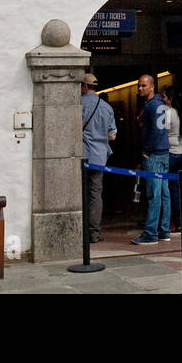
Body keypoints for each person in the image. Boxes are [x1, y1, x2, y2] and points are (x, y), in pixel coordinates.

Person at [131, 74, 171, 245]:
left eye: (144, 86)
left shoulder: (150, 106)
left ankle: (150, 233)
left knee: (154, 194)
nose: (140, 88)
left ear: (152, 87)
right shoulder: (160, 104)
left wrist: (146, 152)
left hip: (154, 154)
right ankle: (164, 230)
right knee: (164, 194)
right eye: (139, 85)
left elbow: (154, 131)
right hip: (164, 152)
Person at [80, 72, 117, 243]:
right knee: (95, 194)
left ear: (84, 86)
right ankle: (93, 233)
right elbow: (113, 136)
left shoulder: (77, 104)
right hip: (99, 158)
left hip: (81, 156)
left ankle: (78, 231)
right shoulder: (107, 107)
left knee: (79, 193)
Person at [161, 87, 182, 233]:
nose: (161, 99)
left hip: (169, 151)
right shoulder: (177, 111)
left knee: (166, 190)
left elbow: (161, 130)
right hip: (179, 151)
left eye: (163, 97)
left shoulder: (167, 113)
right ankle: (180, 221)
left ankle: (168, 222)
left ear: (169, 99)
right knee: (175, 189)